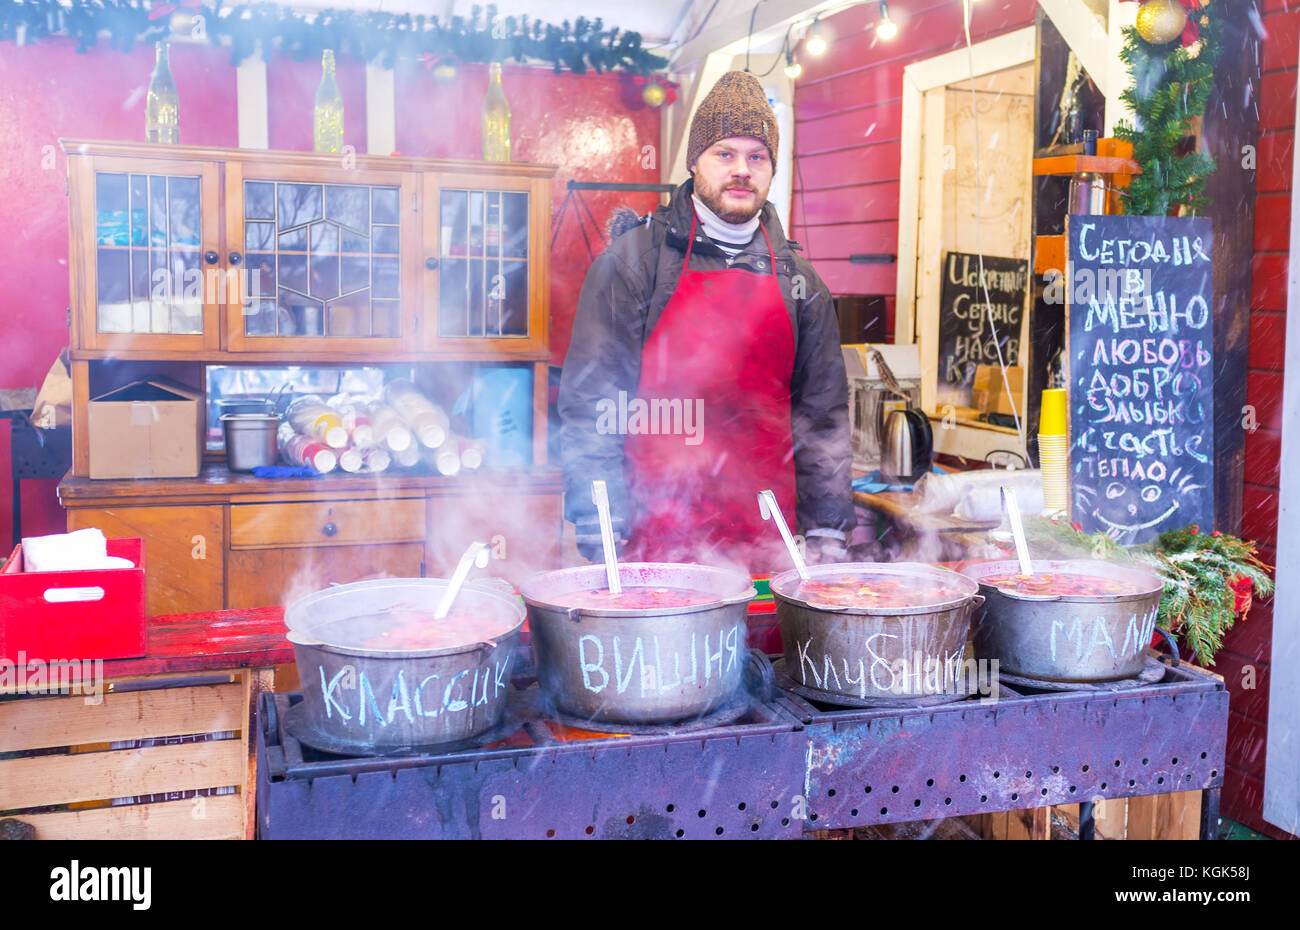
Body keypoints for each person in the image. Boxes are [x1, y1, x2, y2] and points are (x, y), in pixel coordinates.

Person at [559, 70, 854, 571]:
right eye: (725, 154)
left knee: (762, 653)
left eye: (757, 157)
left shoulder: (800, 282)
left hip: (765, 537)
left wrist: (827, 531)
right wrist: (598, 520)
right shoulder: (634, 265)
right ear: (694, 162)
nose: (742, 169)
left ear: (771, 169)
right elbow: (594, 407)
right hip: (653, 535)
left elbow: (822, 418)